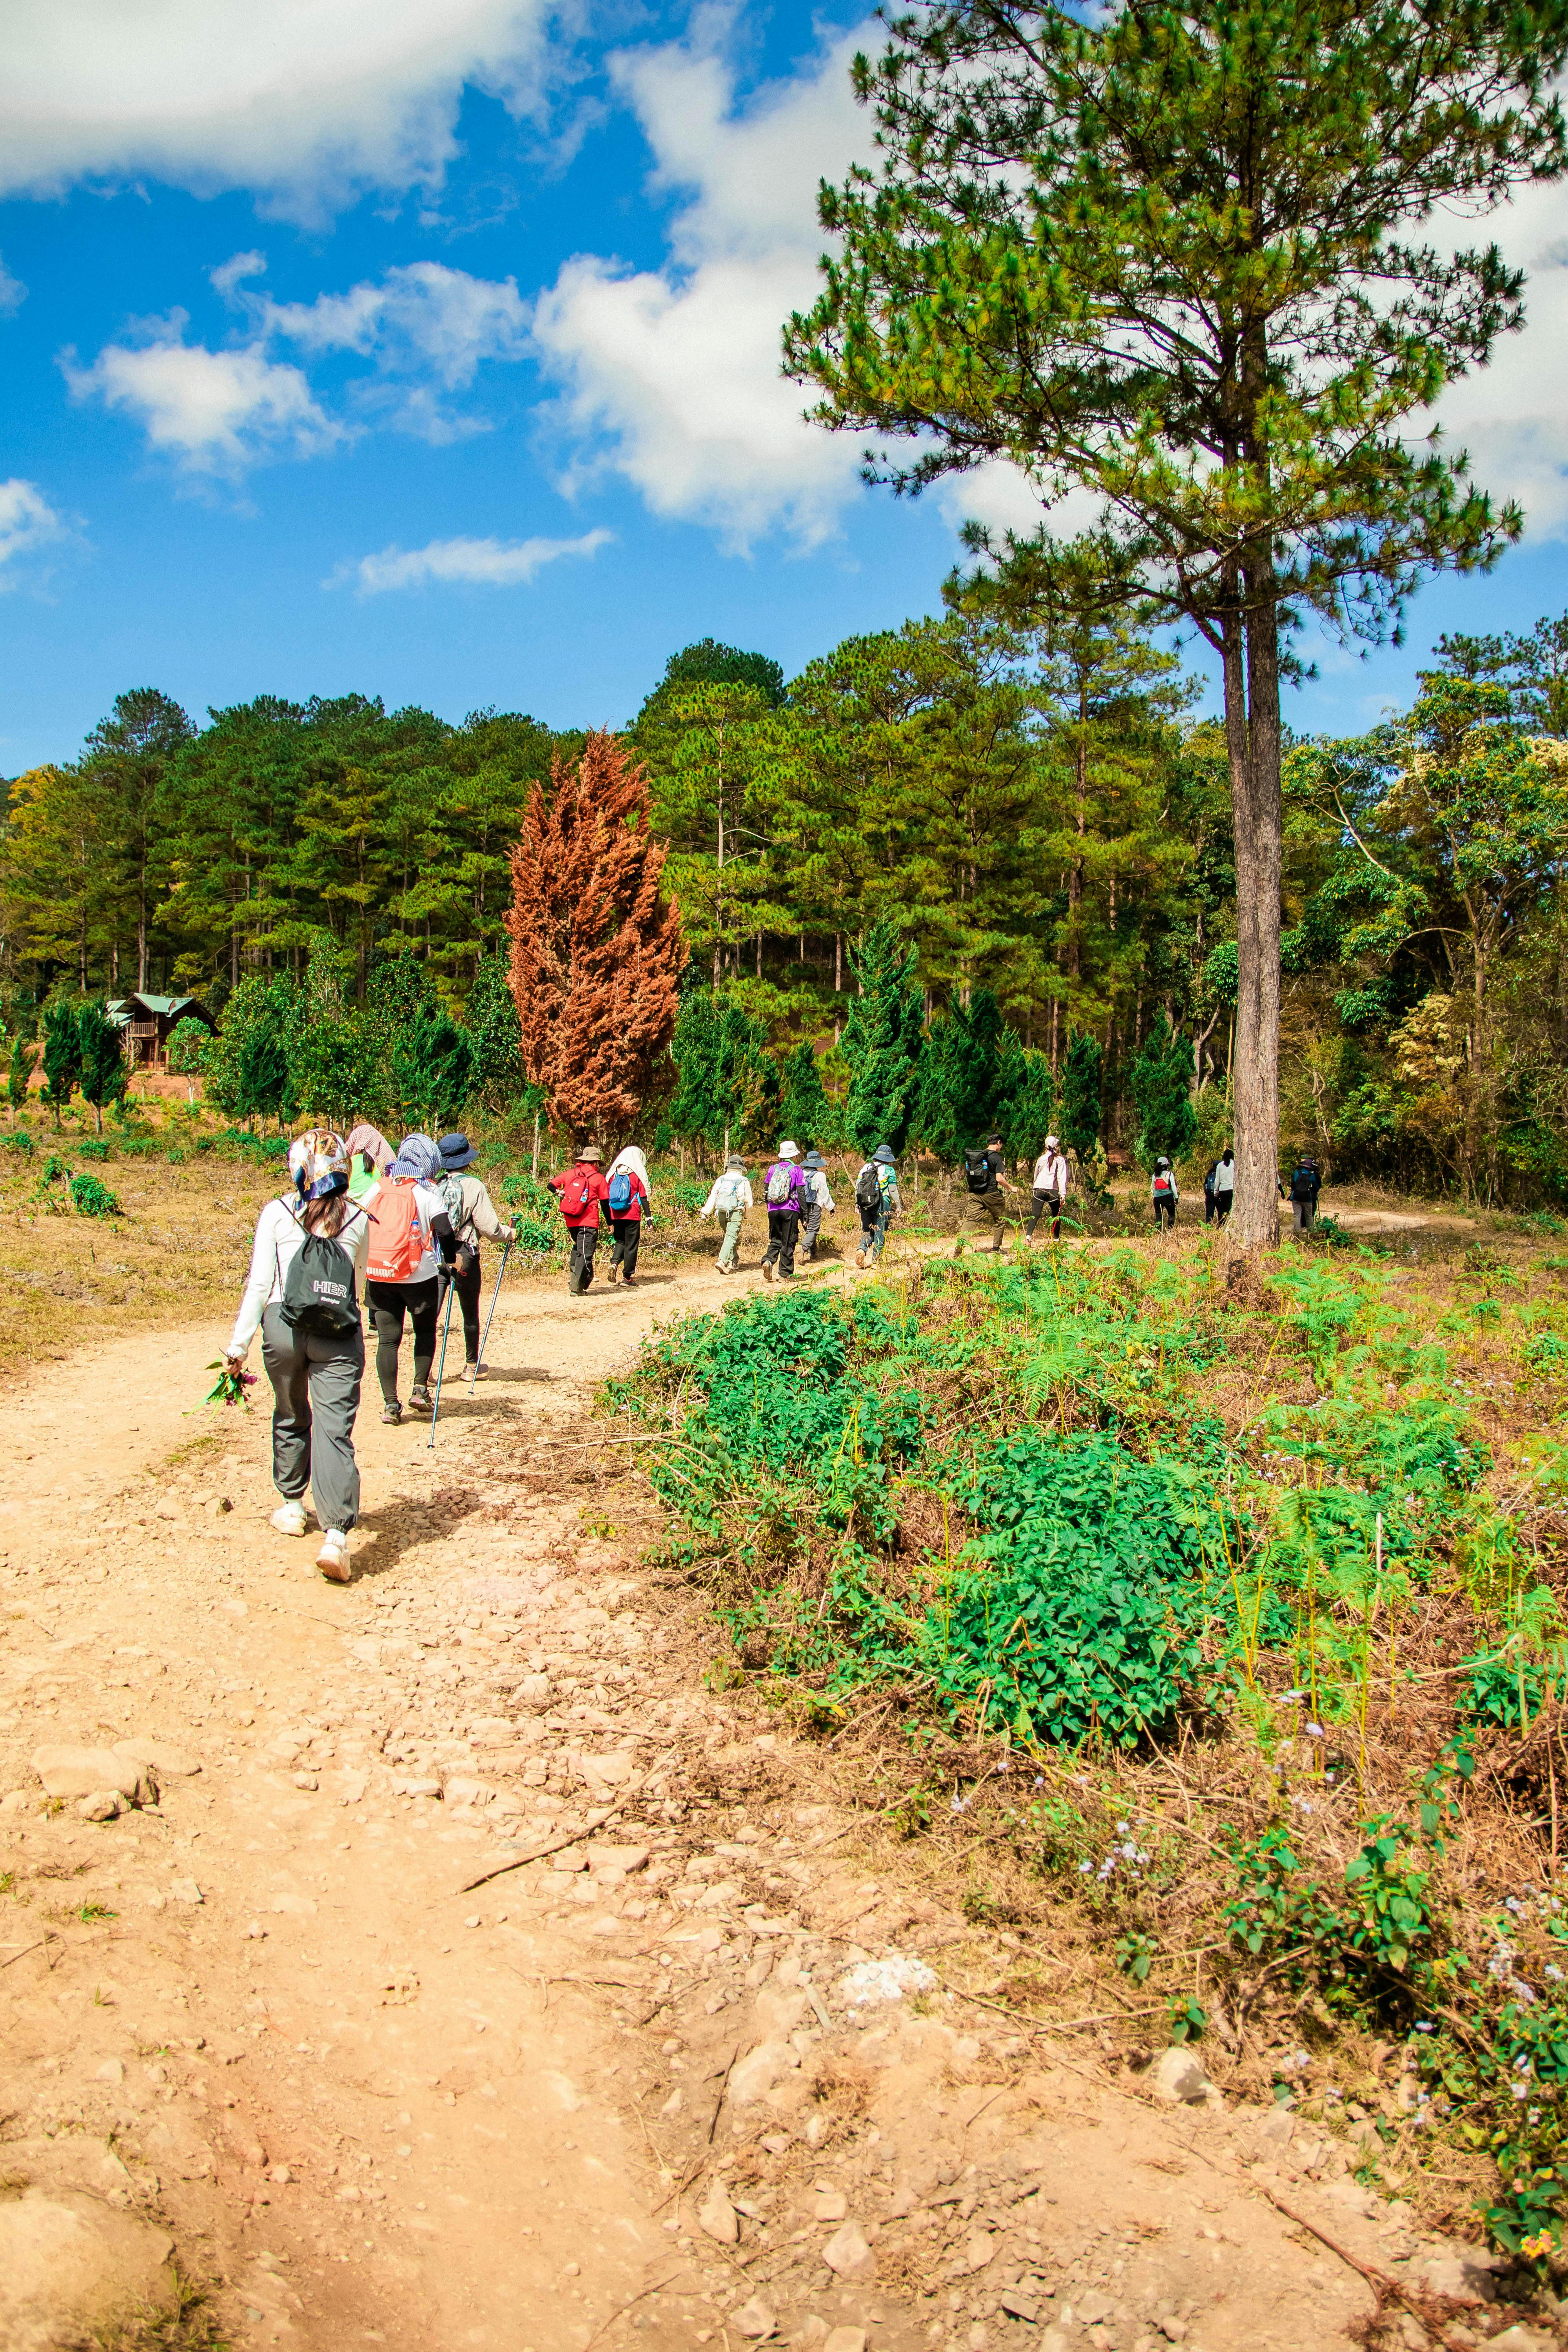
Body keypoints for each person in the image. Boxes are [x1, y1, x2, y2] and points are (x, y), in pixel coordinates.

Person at [223, 1129, 371, 1582]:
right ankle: (336, 1536)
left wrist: (238, 1345)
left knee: (290, 1411)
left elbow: (260, 1284)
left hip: (282, 1329)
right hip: (338, 1333)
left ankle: (291, 1506)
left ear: (298, 1170)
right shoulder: (361, 1218)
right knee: (334, 1431)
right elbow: (358, 1284)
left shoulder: (277, 1212)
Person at [362, 1133, 457, 1423]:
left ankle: (391, 1405)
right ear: (429, 1162)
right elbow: (445, 1232)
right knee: (425, 1333)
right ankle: (420, 1389)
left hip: (380, 1275)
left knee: (388, 1342)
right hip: (420, 1276)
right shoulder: (427, 1195)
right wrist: (451, 1260)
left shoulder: (374, 1190)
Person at [435, 1132, 516, 1375]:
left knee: (432, 1312)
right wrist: (508, 1234)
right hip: (464, 1253)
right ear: (466, 1159)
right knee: (469, 1310)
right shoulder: (474, 1185)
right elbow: (489, 1228)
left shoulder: (434, 1184)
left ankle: (426, 1372)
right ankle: (471, 1366)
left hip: (437, 1252)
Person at [549, 1143, 610, 1295]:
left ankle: (578, 1281)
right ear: (595, 1163)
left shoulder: (570, 1174)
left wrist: (559, 1192)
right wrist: (610, 1223)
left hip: (571, 1219)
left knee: (580, 1248)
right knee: (586, 1252)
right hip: (589, 1221)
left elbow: (551, 1186)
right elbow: (605, 1203)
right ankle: (577, 1287)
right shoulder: (598, 1178)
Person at [956, 1132, 1014, 1254]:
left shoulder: (979, 1156)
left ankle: (959, 1250)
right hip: (991, 1193)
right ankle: (997, 1248)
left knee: (970, 1220)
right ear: (999, 1143)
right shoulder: (997, 1157)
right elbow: (999, 1179)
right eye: (1001, 1145)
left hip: (974, 1193)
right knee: (1000, 1219)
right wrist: (1011, 1187)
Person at [760, 1138, 809, 1281]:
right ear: (794, 1155)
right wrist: (804, 1214)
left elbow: (766, 1191)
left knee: (776, 1239)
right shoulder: (796, 1170)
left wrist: (770, 1209)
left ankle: (768, 1261)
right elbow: (801, 1194)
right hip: (790, 1209)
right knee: (788, 1241)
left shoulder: (772, 1169)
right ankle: (785, 1274)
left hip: (772, 1210)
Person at [603, 1145, 651, 1286]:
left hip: (615, 1214)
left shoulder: (613, 1175)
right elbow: (643, 1198)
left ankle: (614, 1263)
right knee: (631, 1245)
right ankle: (627, 1277)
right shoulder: (637, 1175)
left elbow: (606, 1196)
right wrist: (649, 1218)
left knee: (620, 1241)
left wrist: (608, 1219)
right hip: (632, 1214)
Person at [701, 1154, 752, 1272]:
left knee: (729, 1237)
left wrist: (706, 1212)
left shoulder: (721, 1179)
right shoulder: (743, 1181)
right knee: (731, 1237)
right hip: (735, 1213)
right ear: (741, 1168)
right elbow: (749, 1201)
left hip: (722, 1213)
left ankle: (734, 1262)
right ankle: (722, 1261)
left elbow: (714, 1196)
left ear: (729, 1167)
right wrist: (747, 1215)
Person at [853, 1143, 900, 1267]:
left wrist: (857, 1205)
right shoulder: (889, 1170)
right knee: (880, 1232)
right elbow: (893, 1190)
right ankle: (876, 1262)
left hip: (865, 1204)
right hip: (882, 1204)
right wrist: (899, 1206)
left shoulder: (866, 1167)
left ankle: (862, 1249)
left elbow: (858, 1187)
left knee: (868, 1230)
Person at [1026, 1134, 1070, 1240]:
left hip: (1038, 1190)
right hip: (1052, 1192)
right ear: (1056, 1146)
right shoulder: (1060, 1160)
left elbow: (1036, 1176)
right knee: (1056, 1216)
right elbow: (1061, 1177)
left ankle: (1028, 1237)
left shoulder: (1041, 1159)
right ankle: (1056, 1239)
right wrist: (1063, 1194)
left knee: (1035, 1215)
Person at [800, 1150, 835, 1261]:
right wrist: (831, 1208)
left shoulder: (800, 1173)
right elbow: (824, 1193)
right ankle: (803, 1249)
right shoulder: (820, 1175)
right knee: (813, 1230)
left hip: (801, 1206)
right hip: (815, 1206)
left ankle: (814, 1252)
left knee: (808, 1229)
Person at [1283, 1153, 1321, 1234]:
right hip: (1307, 1198)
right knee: (1309, 1216)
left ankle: (1297, 1233)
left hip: (1296, 1197)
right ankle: (1311, 1232)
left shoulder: (1297, 1172)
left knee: (1297, 1216)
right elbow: (1316, 1187)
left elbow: (1293, 1183)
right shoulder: (1312, 1175)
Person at [1151, 1155, 1179, 1229]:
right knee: (1171, 1214)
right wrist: (1176, 1198)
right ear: (1166, 1165)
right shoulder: (1170, 1174)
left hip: (1157, 1198)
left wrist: (1156, 1195)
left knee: (1158, 1215)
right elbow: (1173, 1187)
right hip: (1168, 1197)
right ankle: (1170, 1231)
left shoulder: (1154, 1175)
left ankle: (1158, 1232)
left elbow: (1154, 1188)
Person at [1214, 1146, 1236, 1223]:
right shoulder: (1235, 1164)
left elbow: (1218, 1180)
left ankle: (1221, 1222)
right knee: (1230, 1208)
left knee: (1222, 1208)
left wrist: (1216, 1191)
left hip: (1223, 1190)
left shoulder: (1220, 1166)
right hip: (1232, 1189)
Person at [1202, 1160, 1219, 1224]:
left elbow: (1205, 1185)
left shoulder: (1209, 1174)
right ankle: (1220, 1225)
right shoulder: (1219, 1174)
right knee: (1221, 1213)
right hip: (1218, 1196)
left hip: (1209, 1196)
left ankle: (1208, 1226)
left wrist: (1207, 1194)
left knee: (1209, 1214)